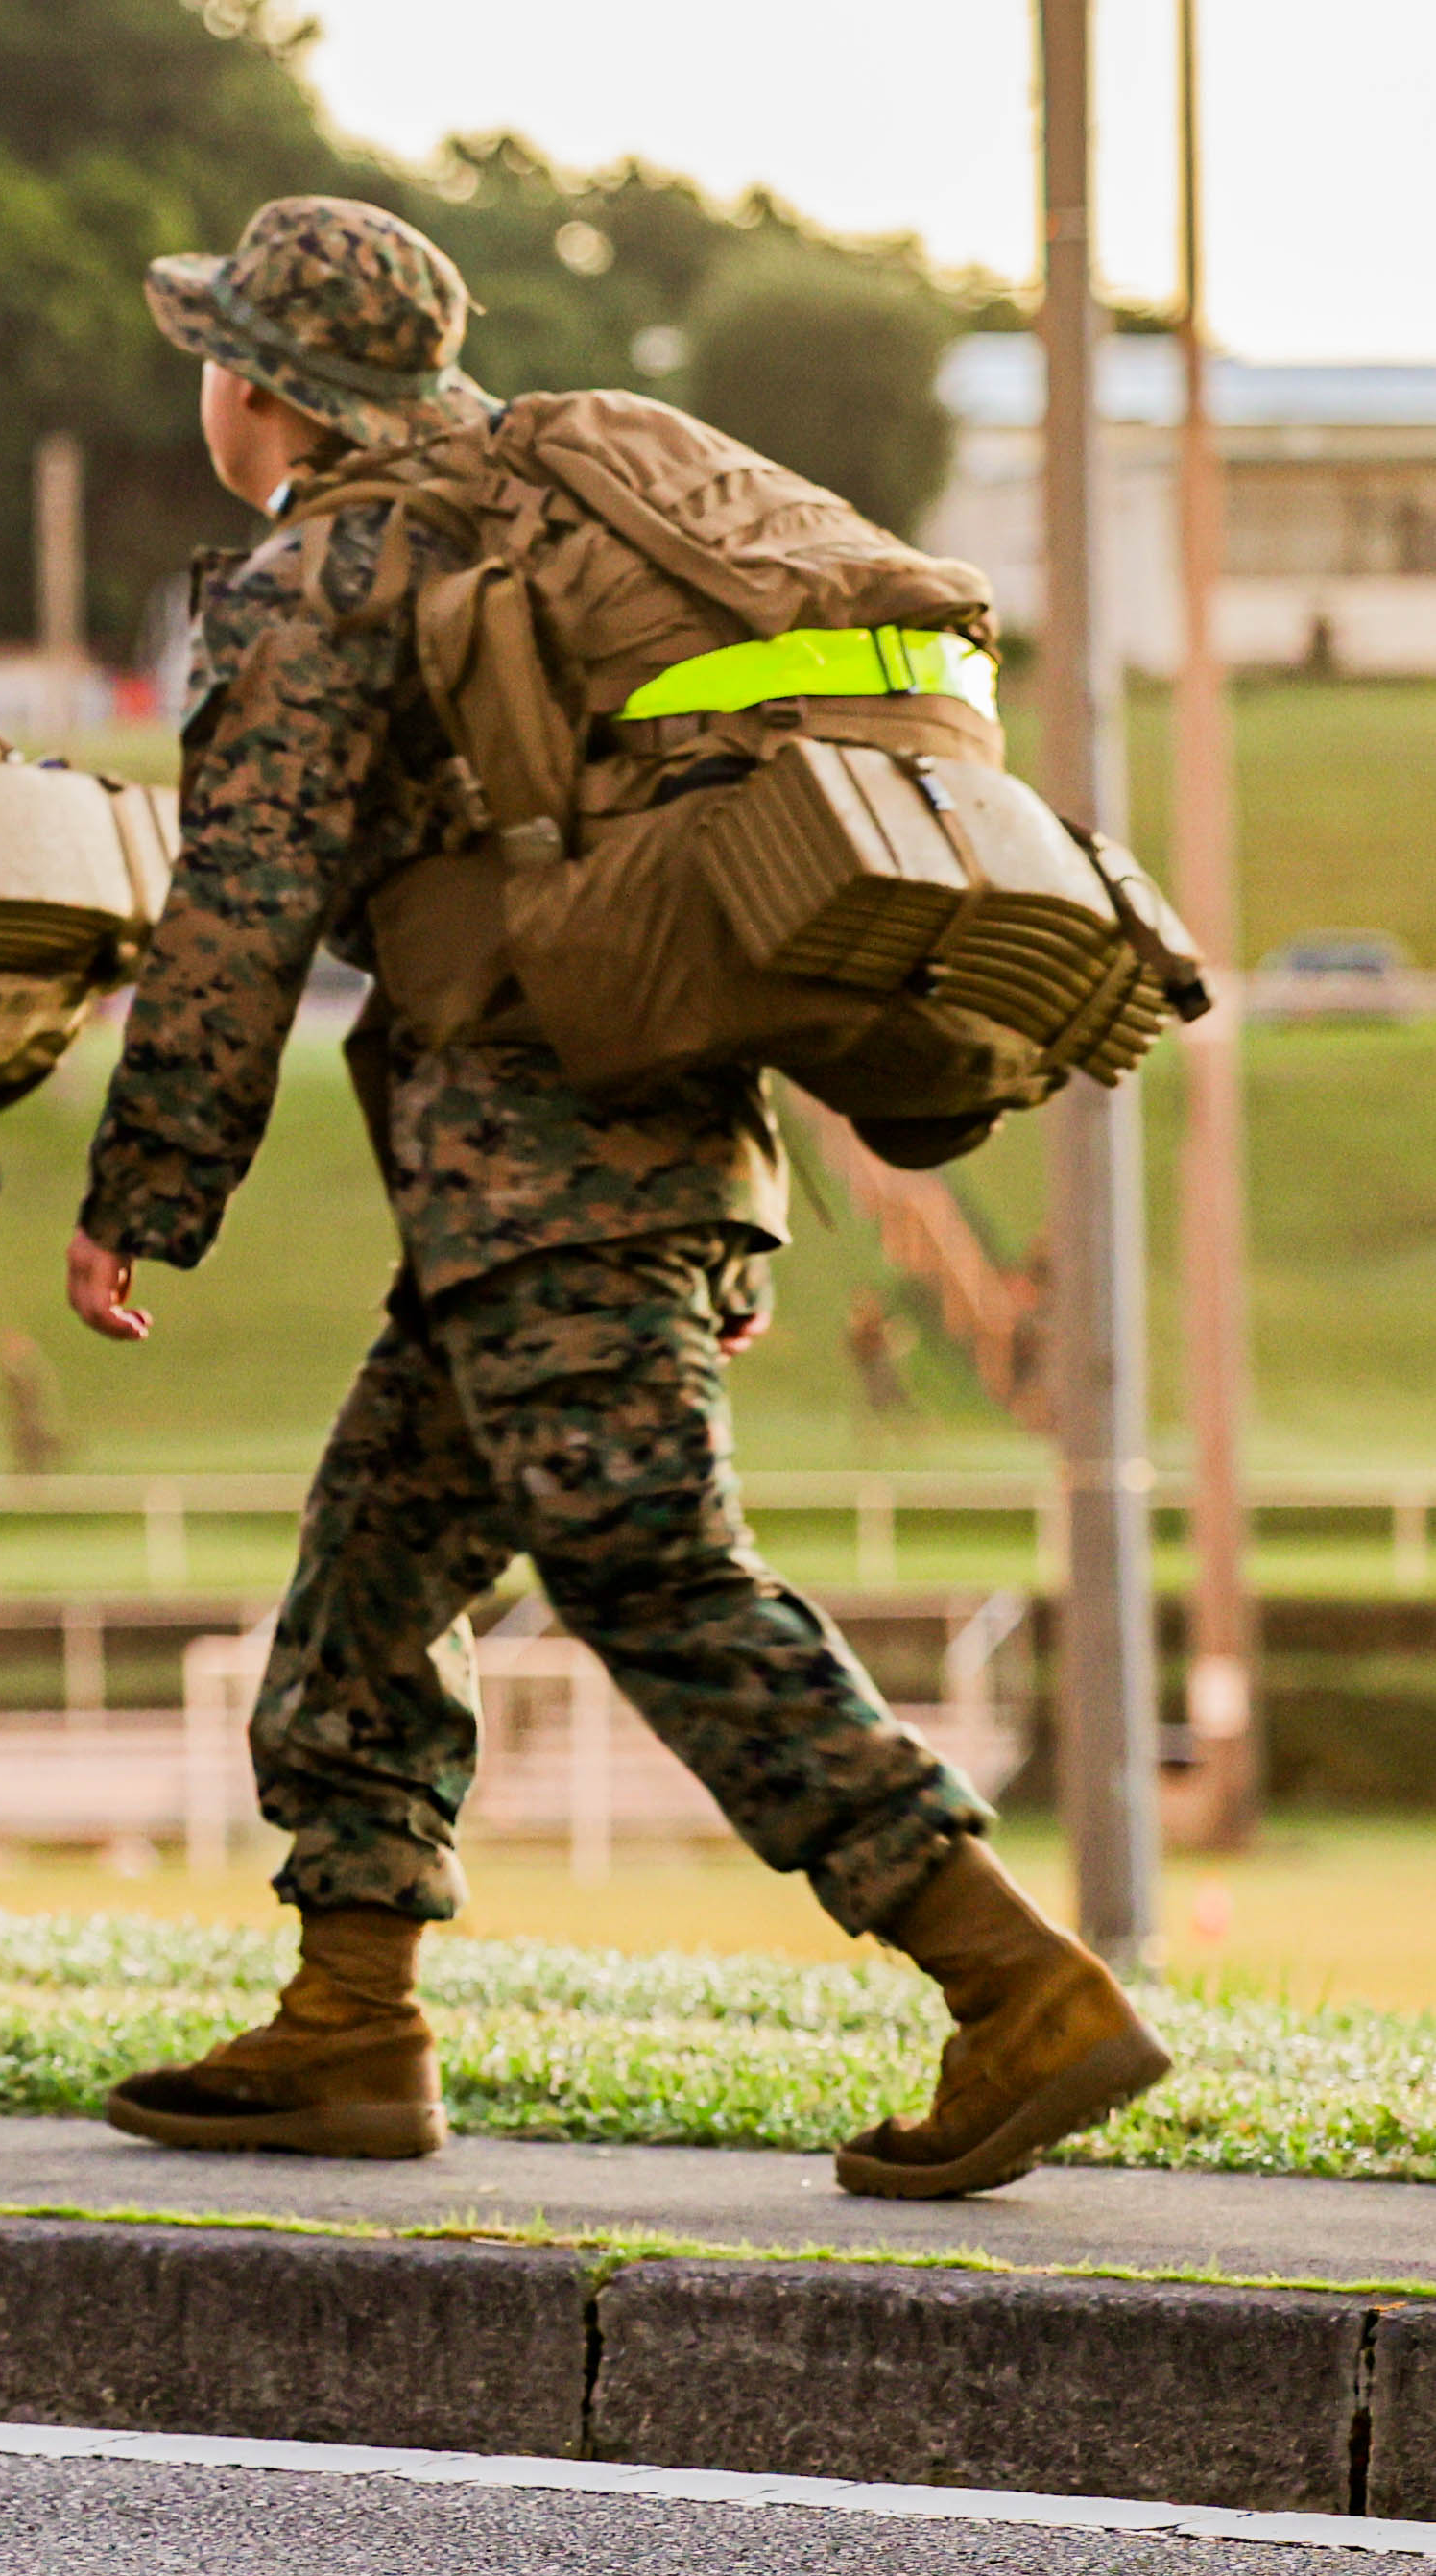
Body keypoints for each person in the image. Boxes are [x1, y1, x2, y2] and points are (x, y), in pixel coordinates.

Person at [66, 193, 1167, 2200]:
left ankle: (1011, 1978)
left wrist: (144, 1189)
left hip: (545, 1161)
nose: (206, 388)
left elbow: (239, 907)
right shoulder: (522, 519)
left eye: (218, 356)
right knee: (374, 1578)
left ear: (273, 389)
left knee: (647, 1562)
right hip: (640, 1134)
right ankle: (349, 2026)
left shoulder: (328, 566)